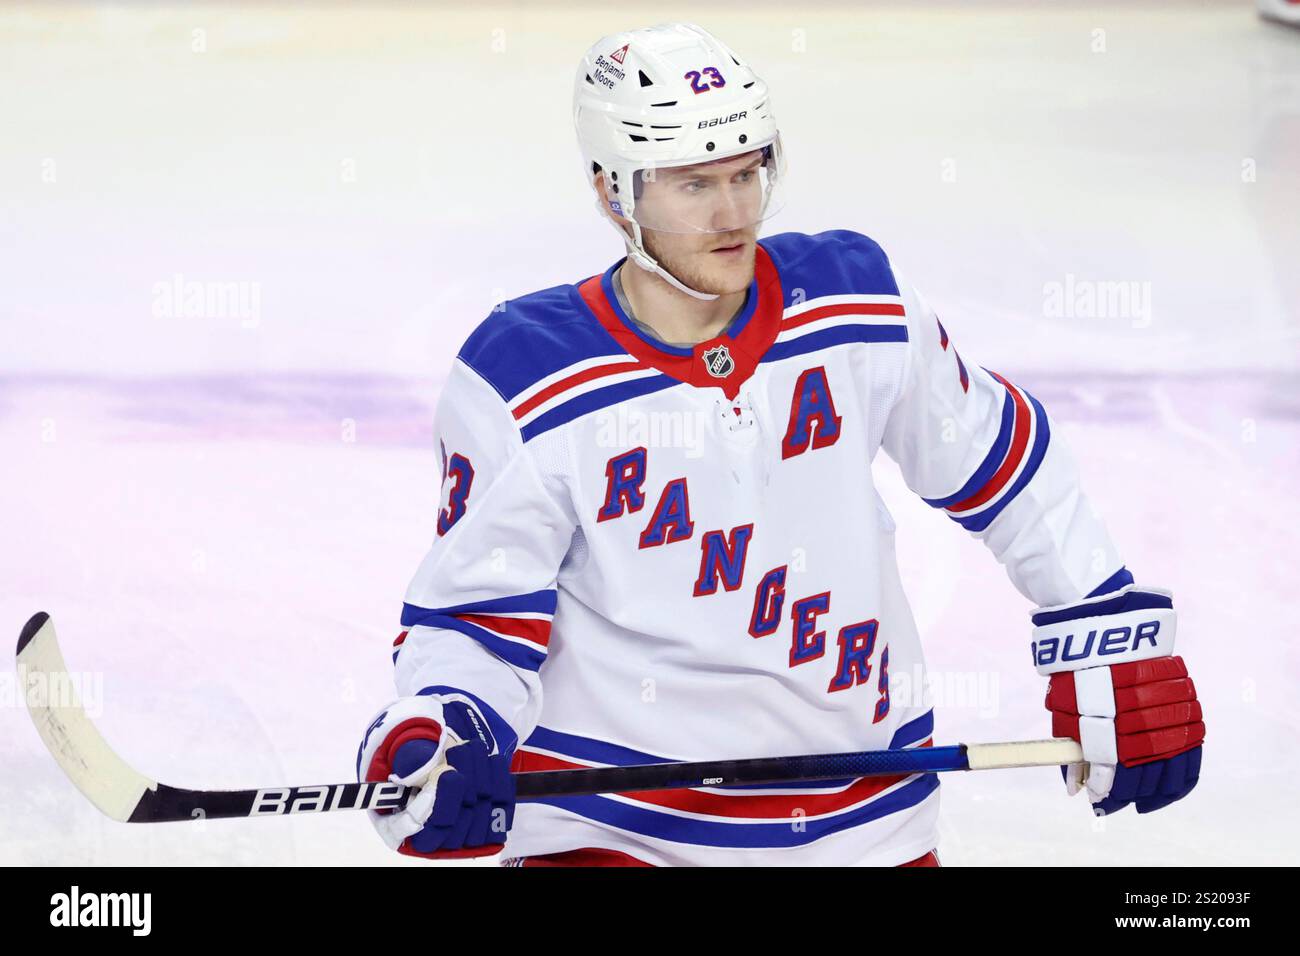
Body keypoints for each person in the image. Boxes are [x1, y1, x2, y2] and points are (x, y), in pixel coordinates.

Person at [355, 22, 1204, 866]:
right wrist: (445, 724)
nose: (734, 214)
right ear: (613, 191)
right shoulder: (525, 373)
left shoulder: (854, 303)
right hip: (612, 826)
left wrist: (1105, 620)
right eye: (694, 185)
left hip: (867, 817)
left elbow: (1004, 466)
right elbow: (475, 614)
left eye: (747, 172)